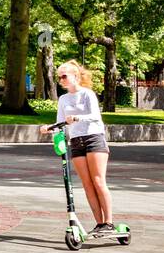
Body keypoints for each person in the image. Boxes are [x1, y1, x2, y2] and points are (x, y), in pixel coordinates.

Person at [39, 59, 115, 234]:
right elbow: (61, 122)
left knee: (98, 181)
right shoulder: (63, 99)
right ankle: (99, 223)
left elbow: (96, 116)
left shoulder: (87, 94)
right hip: (76, 141)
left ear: (75, 76)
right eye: (59, 78)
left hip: (94, 138)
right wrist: (48, 128)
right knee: (87, 183)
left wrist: (77, 118)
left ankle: (109, 222)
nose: (62, 80)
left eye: (64, 76)